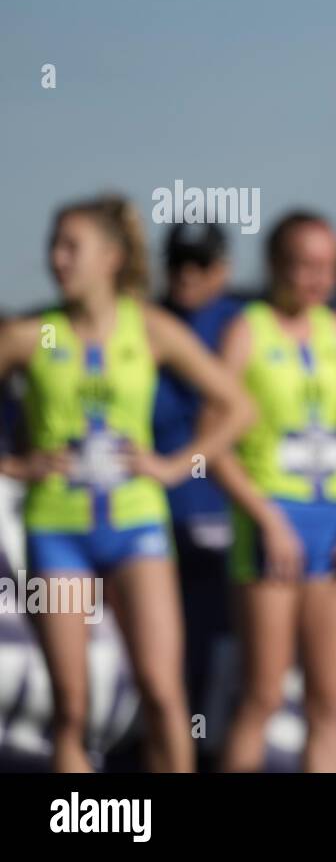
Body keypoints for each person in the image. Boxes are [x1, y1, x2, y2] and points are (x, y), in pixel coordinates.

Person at [0, 195, 252, 772]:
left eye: (71, 246)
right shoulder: (30, 334)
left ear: (112, 257)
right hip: (57, 530)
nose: (56, 259)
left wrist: (171, 464)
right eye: (53, 246)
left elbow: (238, 406)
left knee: (163, 696)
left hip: (137, 526)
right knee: (71, 709)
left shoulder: (151, 328)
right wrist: (16, 465)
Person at [215, 210, 336, 773]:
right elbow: (211, 448)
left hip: (331, 521)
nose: (317, 279)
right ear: (275, 266)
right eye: (304, 266)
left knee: (328, 701)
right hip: (271, 520)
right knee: (263, 695)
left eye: (328, 268)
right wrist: (266, 519)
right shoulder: (246, 330)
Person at [151, 220, 246, 753]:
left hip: (231, 519)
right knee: (162, 676)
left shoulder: (243, 323)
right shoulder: (145, 323)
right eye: (177, 263)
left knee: (234, 679)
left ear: (223, 269)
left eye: (200, 263)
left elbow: (242, 417)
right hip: (154, 524)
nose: (186, 275)